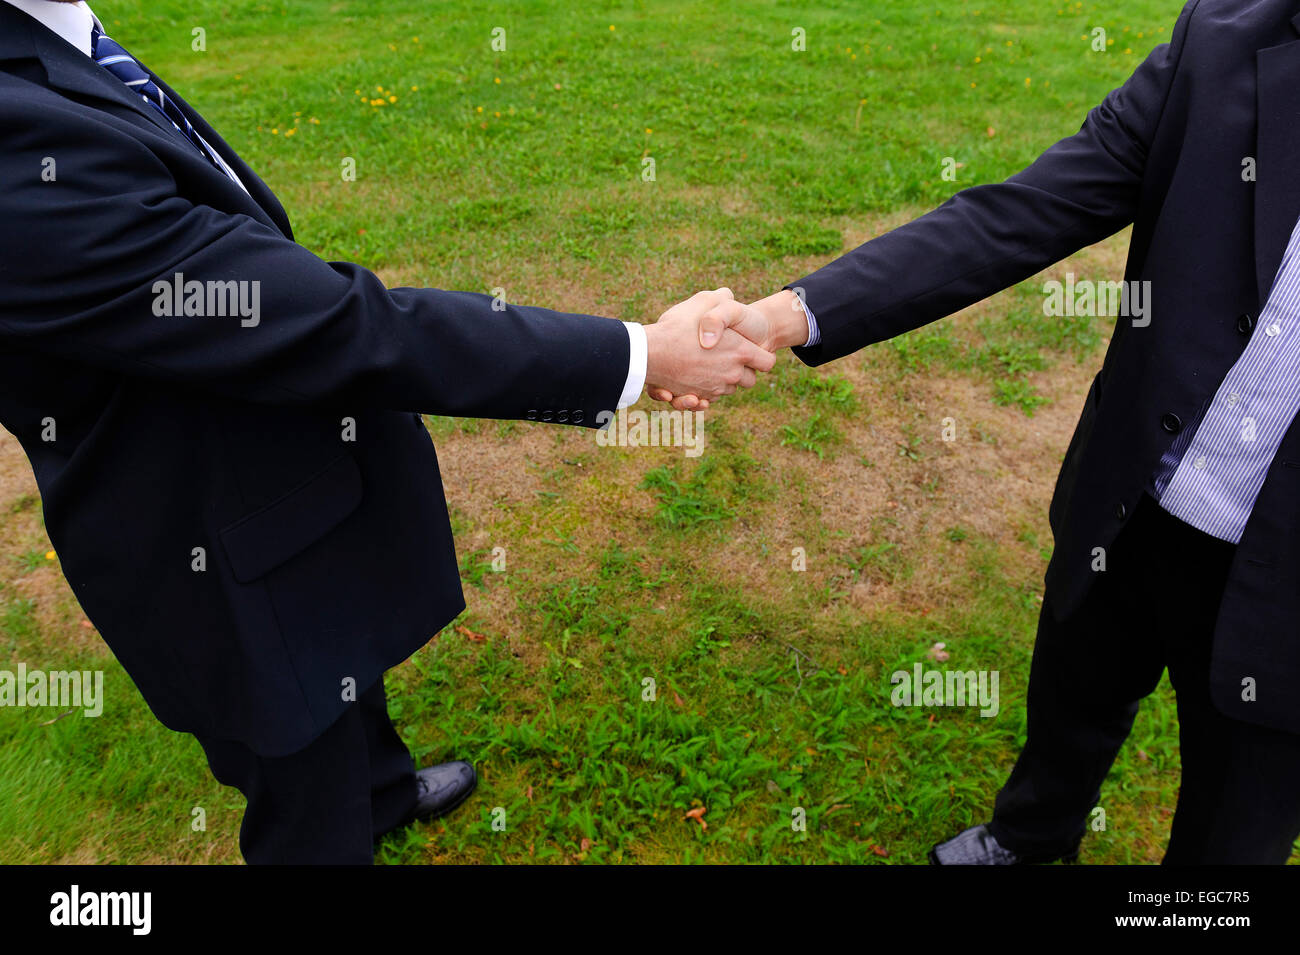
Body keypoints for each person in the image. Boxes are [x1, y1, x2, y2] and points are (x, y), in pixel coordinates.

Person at [0, 0, 775, 864]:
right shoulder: (12, 135)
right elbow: (326, 325)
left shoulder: (52, 29)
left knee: (340, 659)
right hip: (199, 526)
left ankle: (381, 788)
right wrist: (640, 356)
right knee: (301, 770)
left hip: (272, 467)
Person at [658, 0, 1300, 864]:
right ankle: (1028, 840)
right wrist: (788, 316)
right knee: (1075, 693)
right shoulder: (1227, 38)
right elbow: (1023, 211)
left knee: (1230, 839)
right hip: (1131, 500)